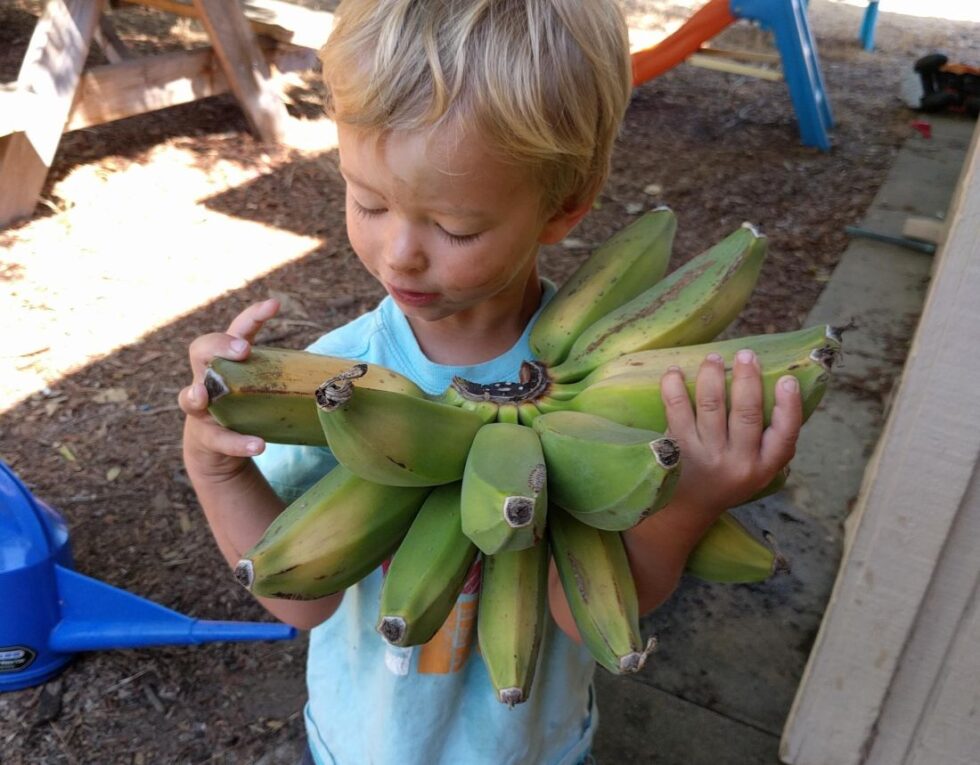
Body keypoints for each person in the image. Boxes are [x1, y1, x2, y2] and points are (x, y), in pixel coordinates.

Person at [178, 1, 803, 763]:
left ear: (563, 206)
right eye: (367, 201)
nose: (399, 253)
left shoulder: (620, 393)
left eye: (456, 228)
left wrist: (690, 502)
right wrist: (215, 466)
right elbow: (296, 595)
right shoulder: (341, 382)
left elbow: (586, 617)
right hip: (364, 746)